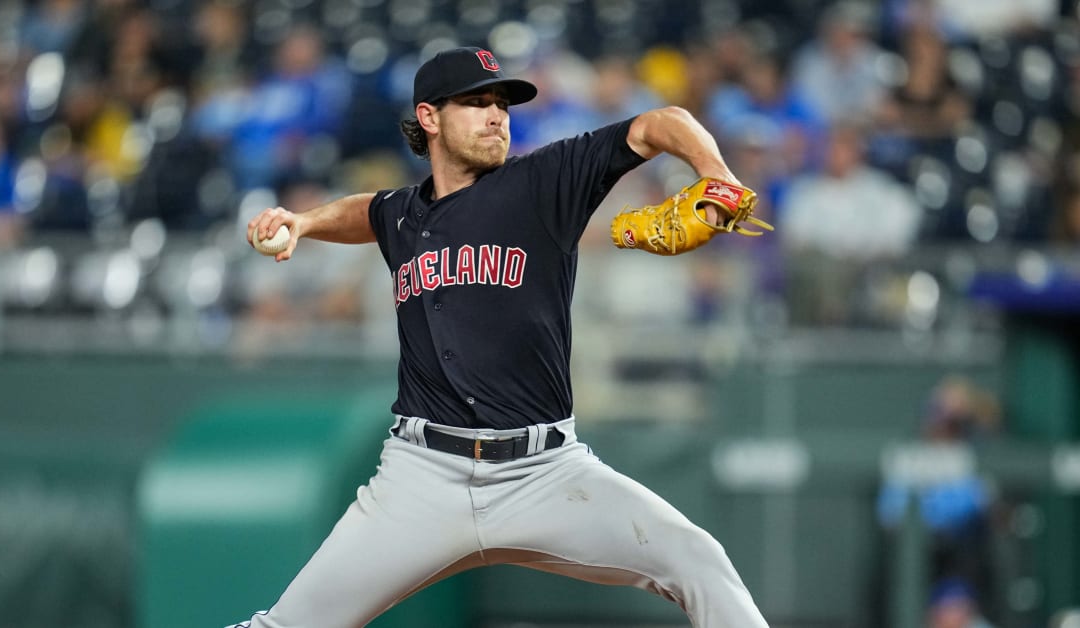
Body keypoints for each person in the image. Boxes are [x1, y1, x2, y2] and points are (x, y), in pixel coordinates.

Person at [231, 46, 769, 628]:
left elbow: (661, 123)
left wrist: (717, 175)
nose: (496, 116)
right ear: (429, 117)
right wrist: (306, 222)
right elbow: (371, 212)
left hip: (546, 473)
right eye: (476, 102)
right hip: (421, 478)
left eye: (502, 104)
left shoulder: (543, 182)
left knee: (697, 559)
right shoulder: (403, 214)